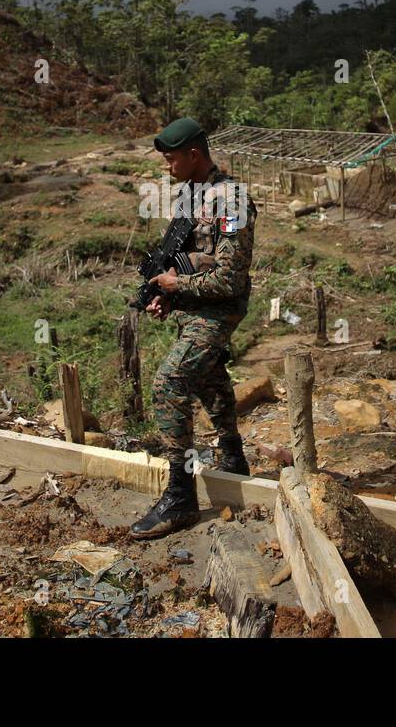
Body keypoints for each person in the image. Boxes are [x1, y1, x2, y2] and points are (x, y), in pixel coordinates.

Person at [130, 117, 257, 539]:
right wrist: (167, 294)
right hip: (194, 305)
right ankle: (234, 461)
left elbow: (229, 279)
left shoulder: (232, 199)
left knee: (170, 383)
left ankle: (181, 495)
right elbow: (188, 257)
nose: (166, 166)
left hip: (219, 309)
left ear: (194, 155)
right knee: (207, 375)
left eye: (171, 158)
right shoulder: (190, 195)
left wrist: (176, 284)